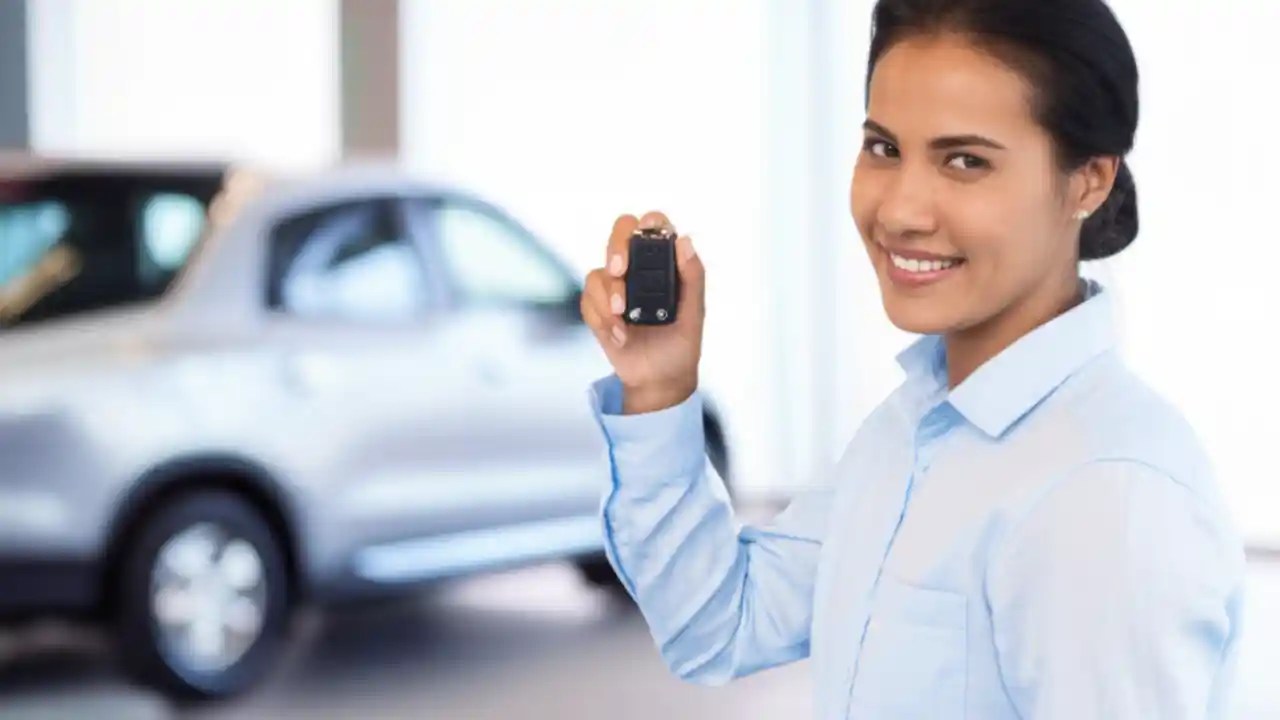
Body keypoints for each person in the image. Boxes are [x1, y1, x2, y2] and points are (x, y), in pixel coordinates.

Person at [577, 0, 1246, 717]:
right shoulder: (916, 425)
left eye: (965, 161)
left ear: (1088, 180)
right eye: (885, 148)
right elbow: (719, 624)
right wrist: (660, 389)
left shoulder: (1101, 496)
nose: (900, 211)